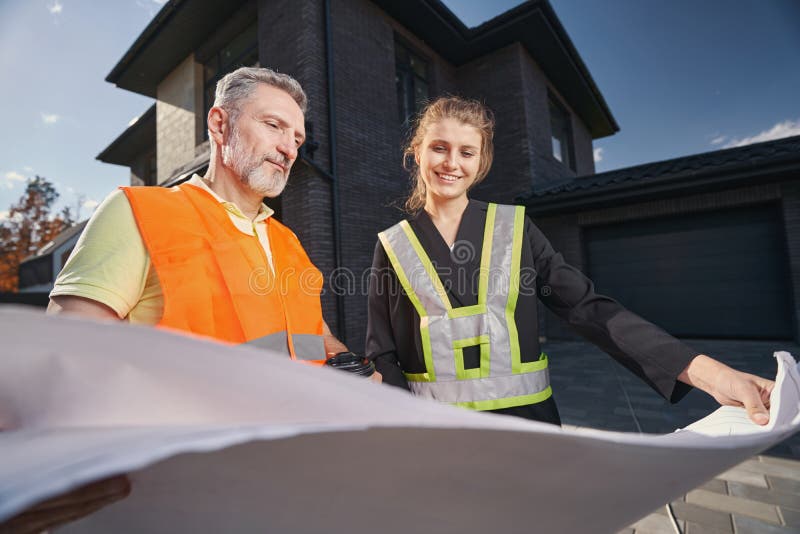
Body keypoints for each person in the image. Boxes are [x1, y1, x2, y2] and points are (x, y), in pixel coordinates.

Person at [366, 95, 772, 425]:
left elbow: (588, 309)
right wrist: (409, 430)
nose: (452, 163)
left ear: (480, 162)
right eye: (439, 148)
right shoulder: (393, 246)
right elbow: (383, 353)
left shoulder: (515, 229)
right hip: (436, 435)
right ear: (416, 153)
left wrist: (711, 374)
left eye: (466, 152)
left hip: (530, 432)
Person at [48, 66, 377, 378]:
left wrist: (344, 365)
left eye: (297, 139)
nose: (288, 149)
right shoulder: (139, 212)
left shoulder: (287, 241)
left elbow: (311, 333)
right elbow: (66, 356)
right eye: (274, 125)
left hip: (295, 432)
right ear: (220, 125)